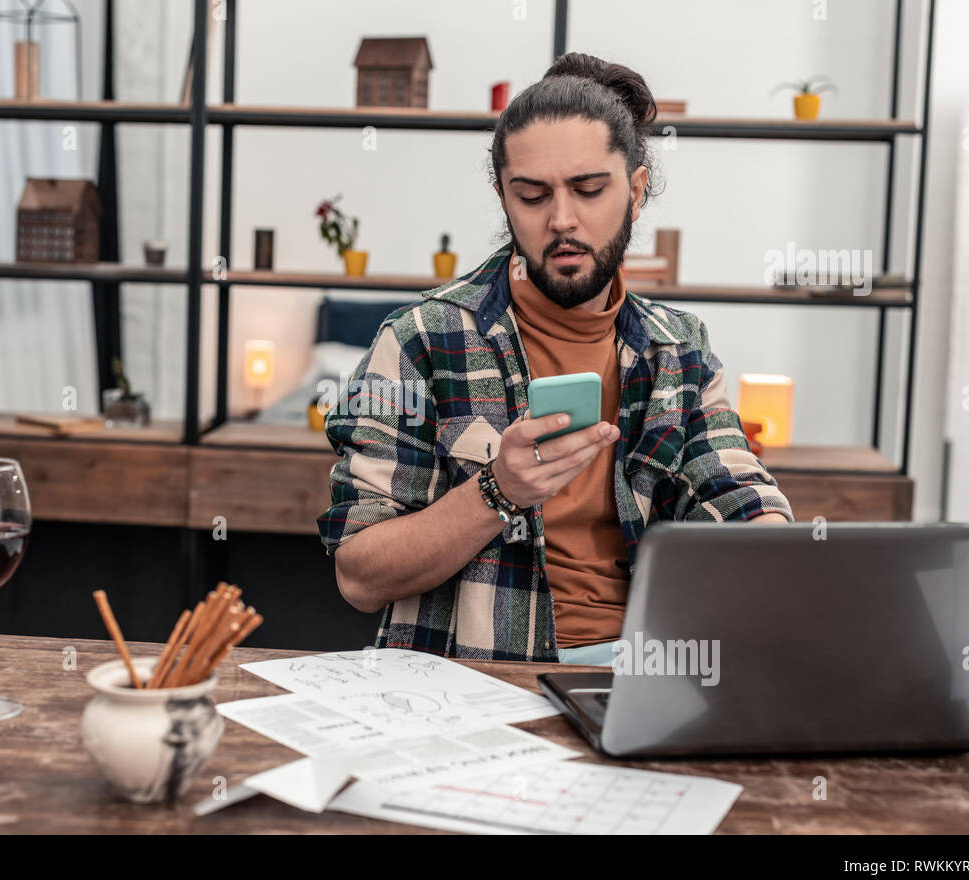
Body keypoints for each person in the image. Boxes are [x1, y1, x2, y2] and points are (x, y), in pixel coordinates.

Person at [317, 53, 793, 664]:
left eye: (590, 189)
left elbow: (737, 494)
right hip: (478, 685)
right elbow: (360, 576)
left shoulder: (681, 347)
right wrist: (498, 490)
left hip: (649, 675)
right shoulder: (420, 339)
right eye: (533, 195)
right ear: (504, 199)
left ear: (637, 191)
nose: (562, 220)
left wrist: (782, 558)